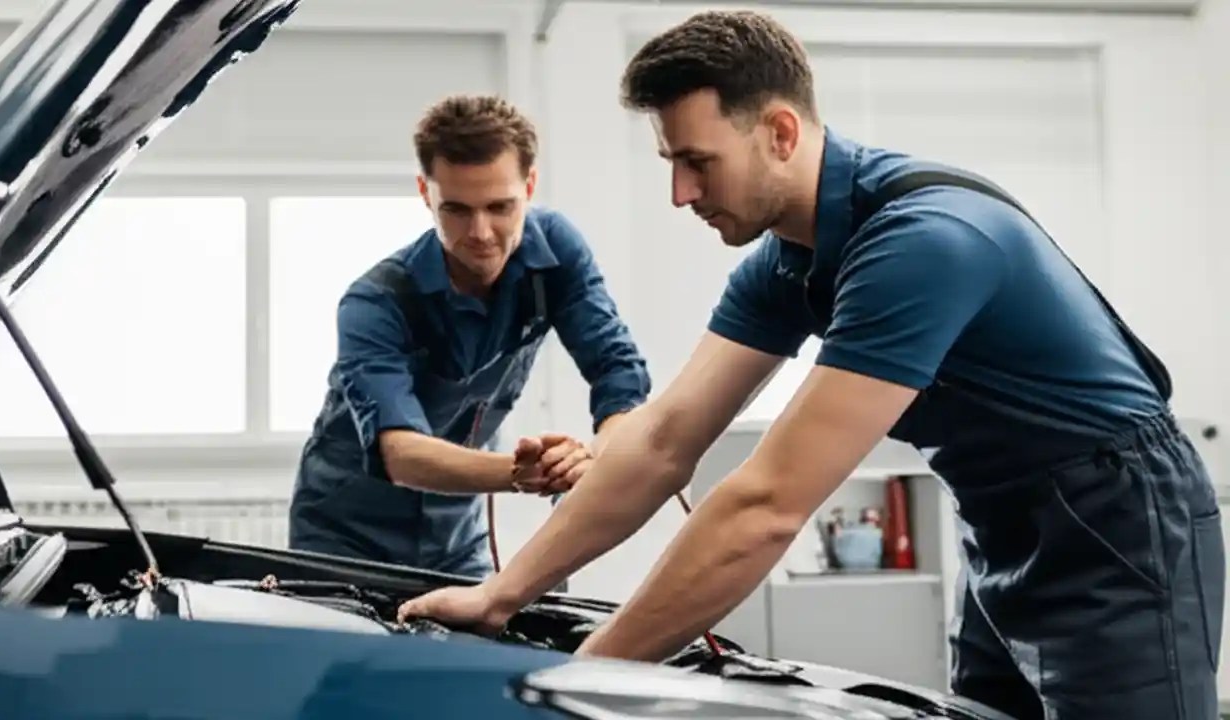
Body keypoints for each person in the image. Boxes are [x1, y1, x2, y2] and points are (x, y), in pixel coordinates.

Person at [396, 10, 1225, 720]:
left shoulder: (921, 243)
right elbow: (659, 443)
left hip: (1118, 519)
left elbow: (765, 505)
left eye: (698, 162)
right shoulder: (788, 260)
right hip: (999, 515)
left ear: (780, 133)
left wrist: (580, 684)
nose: (680, 193)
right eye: (670, 164)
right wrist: (505, 595)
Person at [288, 94, 651, 579]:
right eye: (457, 210)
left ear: (531, 185)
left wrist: (590, 460)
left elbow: (617, 368)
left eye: (501, 207)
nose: (481, 233)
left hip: (457, 539)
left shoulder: (556, 252)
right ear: (425, 192)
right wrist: (523, 475)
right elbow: (401, 454)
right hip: (342, 537)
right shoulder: (375, 302)